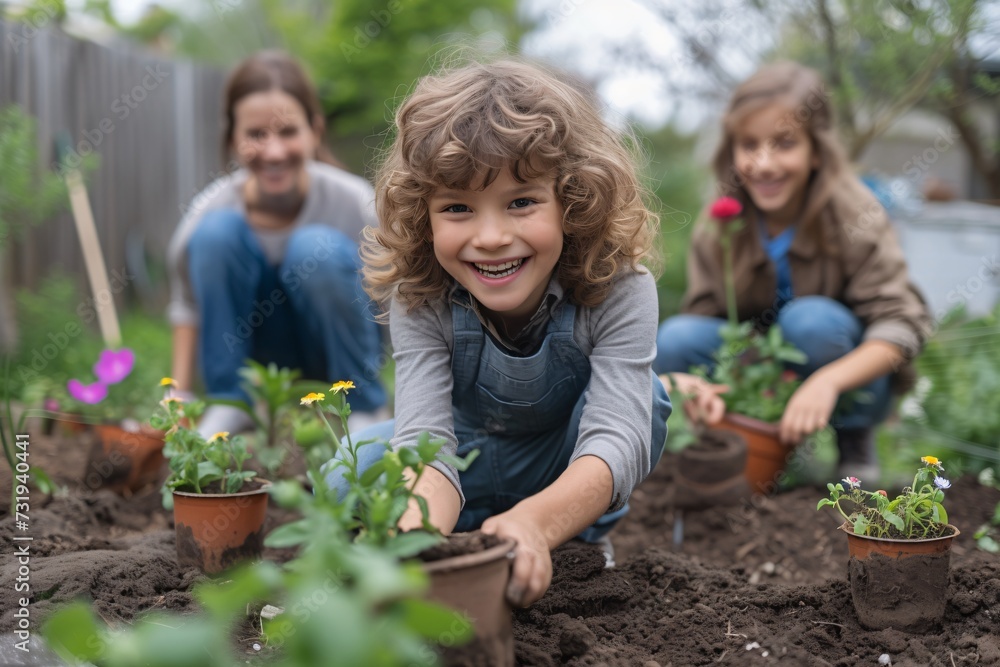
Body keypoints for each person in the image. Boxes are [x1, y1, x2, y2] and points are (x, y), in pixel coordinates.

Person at [327, 59, 671, 607]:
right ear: (424, 216)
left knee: (648, 401)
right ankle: (470, 536)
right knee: (350, 473)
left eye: (521, 202)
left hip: (556, 461)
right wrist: (418, 547)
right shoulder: (422, 294)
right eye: (458, 208)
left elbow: (617, 437)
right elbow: (424, 446)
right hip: (459, 462)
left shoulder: (621, 288)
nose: (490, 237)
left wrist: (535, 522)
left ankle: (573, 541)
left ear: (573, 200)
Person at [653, 62, 932, 481]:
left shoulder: (854, 213)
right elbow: (706, 321)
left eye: (784, 144)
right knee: (675, 337)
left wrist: (829, 381)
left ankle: (854, 442)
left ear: (816, 150)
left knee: (811, 322)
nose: (763, 164)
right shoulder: (723, 223)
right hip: (760, 363)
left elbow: (903, 324)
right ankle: (733, 444)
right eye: (749, 145)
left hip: (835, 360)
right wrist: (709, 382)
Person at [166, 50, 388, 436]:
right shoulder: (207, 211)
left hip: (334, 356)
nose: (274, 152)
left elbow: (399, 298)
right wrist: (179, 396)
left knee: (313, 249)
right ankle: (231, 406)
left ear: (314, 131)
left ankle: (365, 410)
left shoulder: (355, 203)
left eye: (288, 132)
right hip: (256, 363)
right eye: (256, 134)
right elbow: (187, 307)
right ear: (233, 139)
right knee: (217, 235)